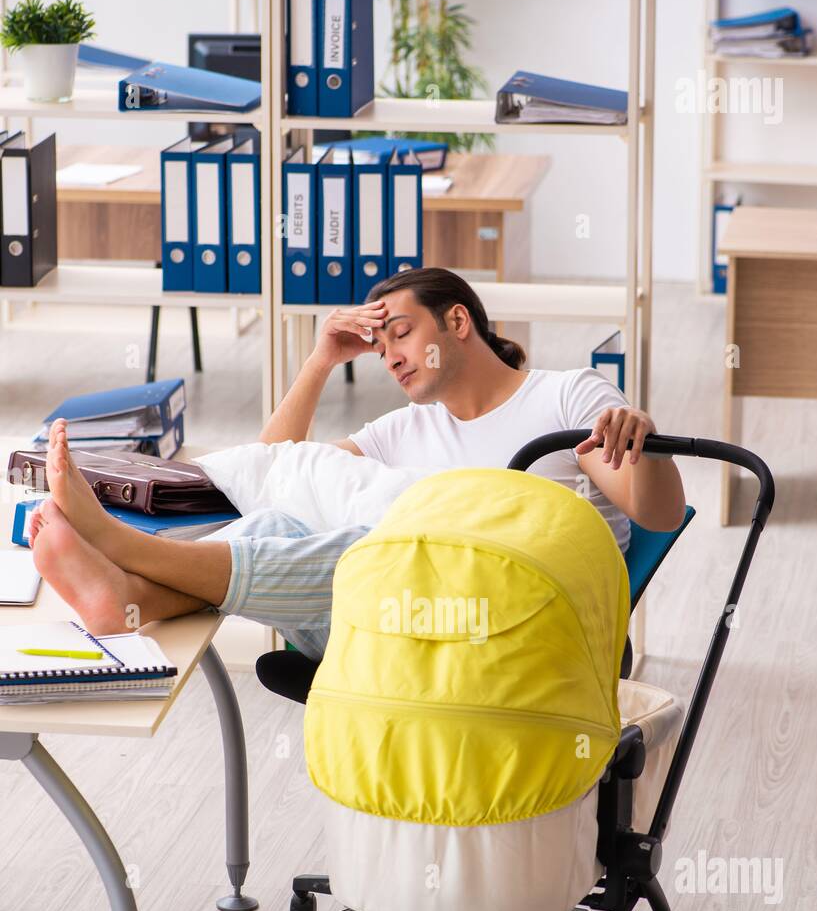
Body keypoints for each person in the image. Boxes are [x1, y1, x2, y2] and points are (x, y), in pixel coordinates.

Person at [28, 267, 684, 659]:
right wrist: (320, 362)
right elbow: (275, 467)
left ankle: (124, 555)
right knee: (283, 528)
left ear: (457, 321)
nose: (390, 354)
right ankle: (132, 594)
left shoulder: (565, 395)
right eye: (377, 347)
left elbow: (654, 512)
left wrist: (643, 438)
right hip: (407, 621)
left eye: (400, 333)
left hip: (524, 625)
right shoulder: (407, 429)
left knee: (370, 554)